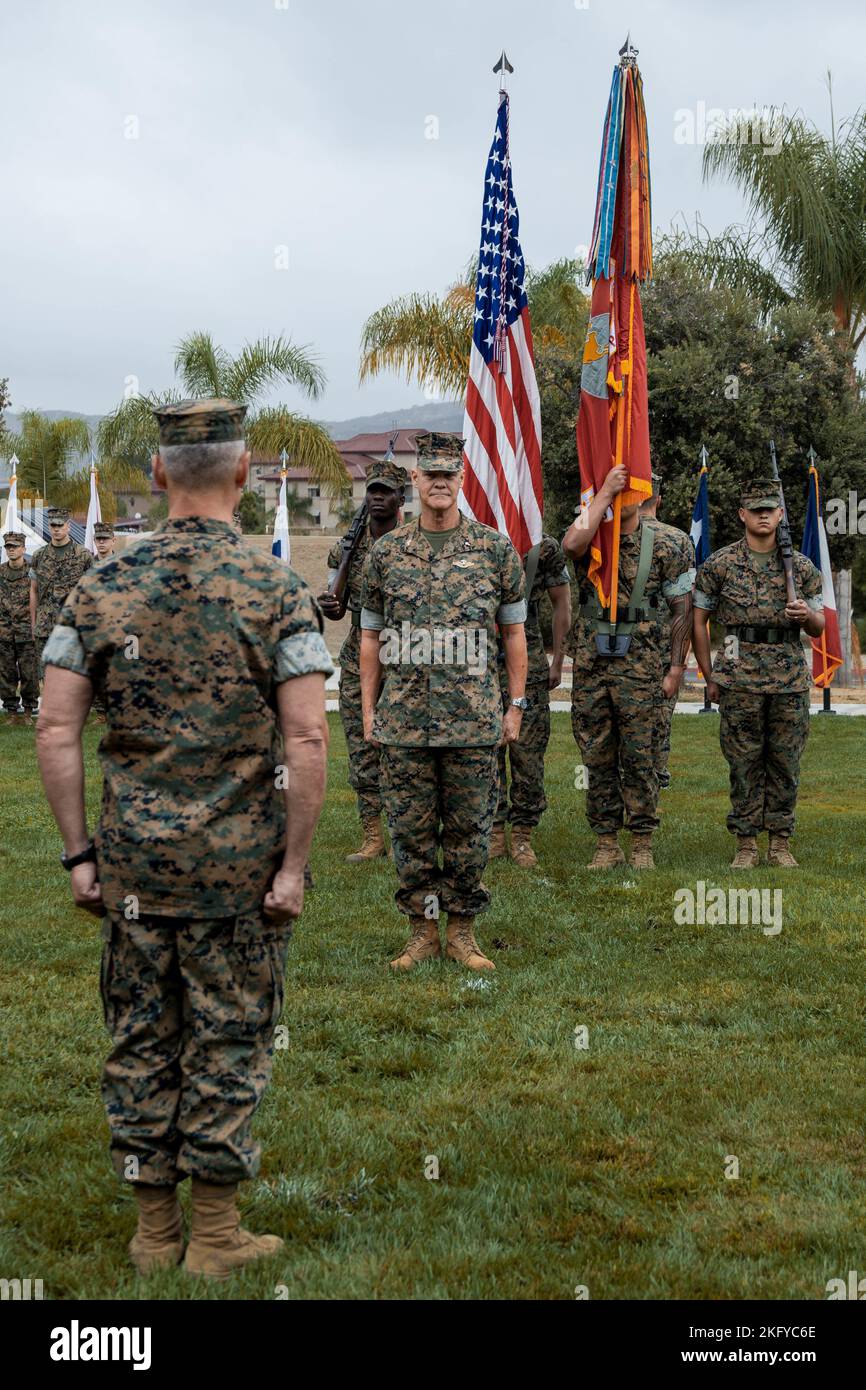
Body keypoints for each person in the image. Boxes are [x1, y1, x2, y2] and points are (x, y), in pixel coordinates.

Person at [36, 398, 333, 1279]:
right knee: (229, 1037)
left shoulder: (99, 586)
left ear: (158, 476)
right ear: (243, 475)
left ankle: (152, 1233)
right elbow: (309, 739)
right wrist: (294, 869)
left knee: (140, 1037)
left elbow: (56, 729)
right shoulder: (274, 589)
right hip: (237, 875)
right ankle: (214, 1235)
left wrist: (79, 854)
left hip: (130, 867)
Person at [359, 431, 527, 971]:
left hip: (474, 721)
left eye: (448, 475)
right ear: (416, 480)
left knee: (470, 832)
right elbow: (370, 638)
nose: (438, 483)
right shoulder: (386, 553)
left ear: (460, 480)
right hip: (404, 722)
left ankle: (463, 933)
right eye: (429, 474)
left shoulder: (494, 551)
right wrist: (368, 710)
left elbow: (515, 636)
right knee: (409, 832)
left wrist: (515, 705)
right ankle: (421, 933)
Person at [563, 464, 693, 870]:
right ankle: (606, 843)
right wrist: (603, 494)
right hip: (592, 663)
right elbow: (570, 545)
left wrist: (676, 668)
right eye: (621, 491)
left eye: (633, 490)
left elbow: (682, 611)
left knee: (642, 754)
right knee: (597, 753)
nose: (626, 497)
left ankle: (641, 843)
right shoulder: (592, 533)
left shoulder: (671, 543)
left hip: (645, 664)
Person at [692, 476, 824, 868]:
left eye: (770, 509)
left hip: (788, 678)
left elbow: (819, 627)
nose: (763, 515)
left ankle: (780, 842)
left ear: (780, 514)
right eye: (756, 509)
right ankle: (746, 843)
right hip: (739, 673)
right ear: (742, 515)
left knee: (785, 761)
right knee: (743, 761)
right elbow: (700, 622)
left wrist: (807, 615)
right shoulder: (721, 563)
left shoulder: (800, 566)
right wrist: (709, 674)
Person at [318, 458, 406, 862]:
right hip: (358, 654)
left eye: (385, 491)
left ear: (401, 497)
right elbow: (336, 610)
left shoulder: (413, 542)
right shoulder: (346, 546)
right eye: (372, 490)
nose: (376, 498)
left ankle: (407, 831)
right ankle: (373, 836)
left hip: (406, 650)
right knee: (361, 742)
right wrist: (330, 602)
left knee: (406, 747)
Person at [490, 534, 571, 866]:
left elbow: (562, 603)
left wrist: (558, 660)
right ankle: (493, 831)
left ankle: (522, 835)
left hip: (529, 658)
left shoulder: (544, 547)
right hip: (478, 661)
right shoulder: (471, 537)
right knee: (484, 752)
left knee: (528, 753)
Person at [639, 472, 696, 789]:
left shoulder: (612, 534)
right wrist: (678, 664)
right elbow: (683, 609)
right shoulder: (677, 540)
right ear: (658, 499)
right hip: (662, 650)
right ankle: (656, 775)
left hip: (619, 648)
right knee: (659, 719)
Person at [29, 507, 93, 668]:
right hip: (45, 627)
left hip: (73, 626)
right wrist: (33, 624)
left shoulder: (83, 555)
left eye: (60, 525)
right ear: (49, 527)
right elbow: (33, 591)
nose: (56, 529)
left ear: (68, 525)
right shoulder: (39, 556)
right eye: (53, 526)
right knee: (46, 678)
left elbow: (91, 591)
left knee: (73, 675)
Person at [0, 532, 39, 721]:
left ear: (24, 548)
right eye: (8, 546)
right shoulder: (0, 572)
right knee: (6, 672)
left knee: (29, 673)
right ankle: (12, 712)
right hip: (4, 631)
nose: (12, 549)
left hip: (26, 631)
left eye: (15, 546)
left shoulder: (33, 572)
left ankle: (29, 711)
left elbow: (39, 599)